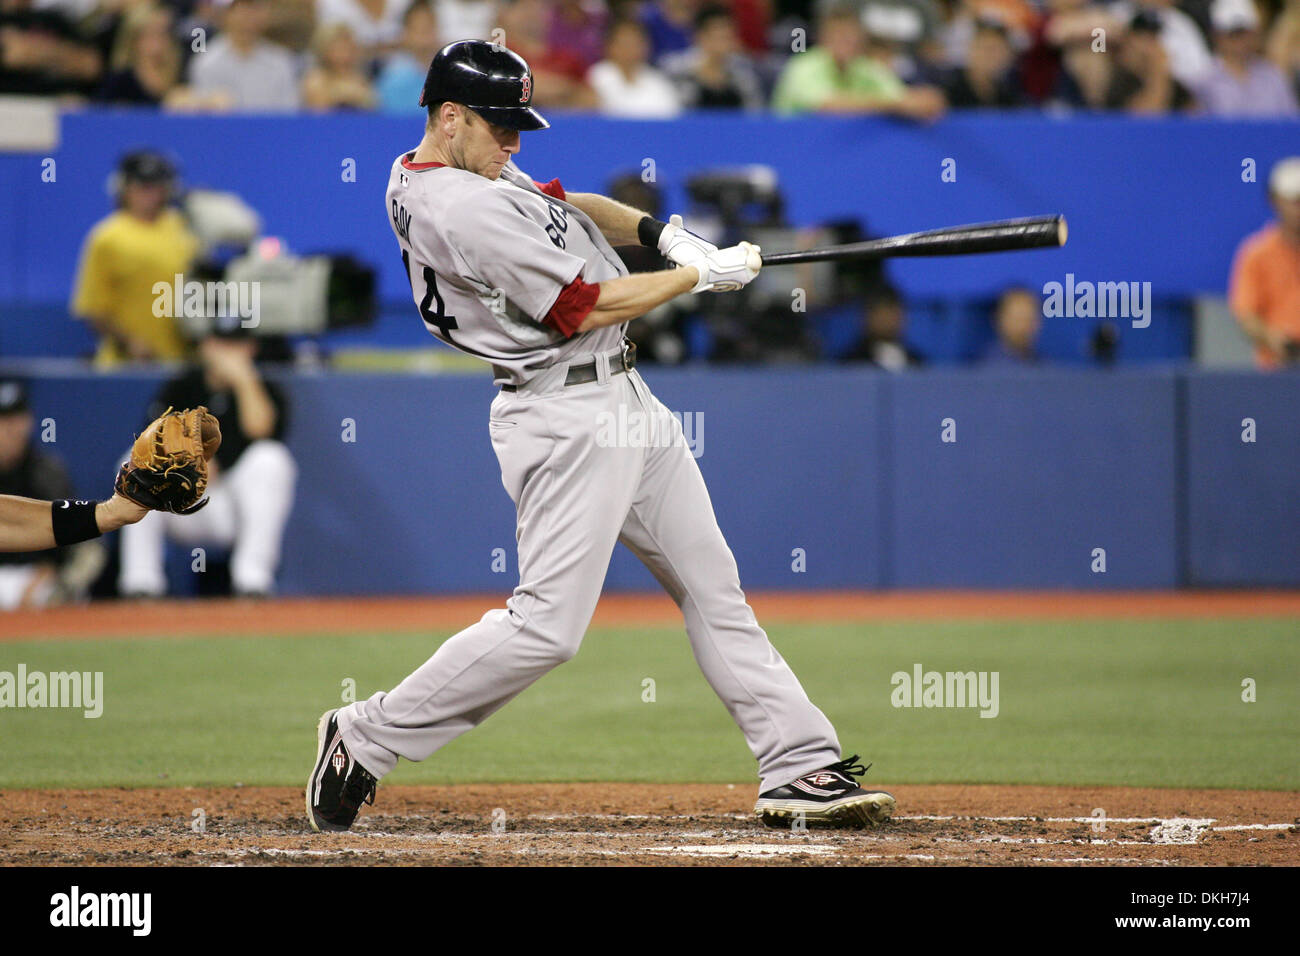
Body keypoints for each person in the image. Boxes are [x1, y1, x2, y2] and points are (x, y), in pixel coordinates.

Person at [306, 39, 895, 833]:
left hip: (620, 396)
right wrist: (699, 278)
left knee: (711, 588)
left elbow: (569, 207)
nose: (513, 141)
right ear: (450, 118)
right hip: (563, 413)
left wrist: (667, 237)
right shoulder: (461, 204)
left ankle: (797, 763)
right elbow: (581, 307)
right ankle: (363, 735)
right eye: (499, 125)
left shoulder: (445, 167)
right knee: (547, 629)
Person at [119, 321, 296, 598]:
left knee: (271, 459)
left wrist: (244, 380)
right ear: (206, 346)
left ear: (251, 348)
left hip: (232, 509)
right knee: (134, 463)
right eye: (221, 344)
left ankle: (252, 582)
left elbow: (261, 429)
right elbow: (152, 441)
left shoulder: (267, 391)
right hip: (180, 502)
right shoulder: (182, 388)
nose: (228, 353)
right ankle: (141, 585)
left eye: (236, 345)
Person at [71, 150, 200, 367]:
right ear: (124, 189)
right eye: (141, 187)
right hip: (125, 366)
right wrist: (130, 343)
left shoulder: (184, 229)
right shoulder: (107, 237)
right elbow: (93, 308)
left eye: (156, 187)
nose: (149, 195)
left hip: (180, 361)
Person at [0, 379, 150, 557]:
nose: (8, 430)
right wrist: (104, 514)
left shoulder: (44, 469)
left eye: (14, 421)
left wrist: (103, 514)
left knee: (90, 552)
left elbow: (18, 523)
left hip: (38, 574)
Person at [771, 4, 946, 118]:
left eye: (850, 36)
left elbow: (905, 99)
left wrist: (922, 100)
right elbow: (827, 106)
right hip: (795, 146)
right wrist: (896, 104)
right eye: (838, 35)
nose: (845, 42)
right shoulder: (803, 66)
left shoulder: (867, 68)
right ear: (823, 37)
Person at [1228, 157, 1300, 369]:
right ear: (1275, 201)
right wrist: (1272, 338)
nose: (1298, 209)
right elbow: (1245, 314)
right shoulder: (1256, 253)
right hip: (1276, 370)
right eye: (1294, 200)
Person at [187, 0, 301, 111]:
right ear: (226, 13)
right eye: (240, 9)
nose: (248, 16)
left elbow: (289, 113)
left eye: (254, 8)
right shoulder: (206, 63)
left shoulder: (281, 62)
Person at [1192, 0, 1299, 116]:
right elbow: (1198, 124)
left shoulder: (1272, 76)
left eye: (1244, 33)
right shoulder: (1204, 78)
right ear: (1217, 35)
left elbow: (1291, 120)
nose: (1239, 41)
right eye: (1232, 34)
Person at [662, 3, 766, 110]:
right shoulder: (676, 72)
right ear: (699, 36)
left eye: (727, 37)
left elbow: (754, 114)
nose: (723, 45)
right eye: (717, 37)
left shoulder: (744, 74)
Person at [587, 18, 683, 117]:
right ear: (609, 45)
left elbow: (672, 118)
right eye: (624, 42)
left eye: (636, 42)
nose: (630, 48)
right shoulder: (595, 77)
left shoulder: (658, 81)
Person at [941, 15, 1027, 107]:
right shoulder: (948, 84)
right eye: (984, 48)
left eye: (996, 50)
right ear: (971, 49)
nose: (989, 56)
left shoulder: (1009, 92)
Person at [376, 1, 442, 112]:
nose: (424, 35)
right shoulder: (393, 76)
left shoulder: (448, 72)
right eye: (418, 29)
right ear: (405, 33)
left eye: (429, 27)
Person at [301, 22, 378, 110]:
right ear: (324, 50)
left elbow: (373, 107)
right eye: (340, 48)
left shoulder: (360, 79)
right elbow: (318, 111)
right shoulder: (315, 80)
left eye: (350, 48)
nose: (346, 54)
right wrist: (343, 94)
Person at [842, 288, 924, 367]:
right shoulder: (850, 364)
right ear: (866, 317)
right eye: (881, 313)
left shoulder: (916, 362)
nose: (887, 319)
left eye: (893, 312)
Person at [980, 285, 1042, 363]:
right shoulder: (979, 369)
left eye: (1029, 319)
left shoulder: (1048, 369)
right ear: (998, 319)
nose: (1024, 326)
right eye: (1017, 319)